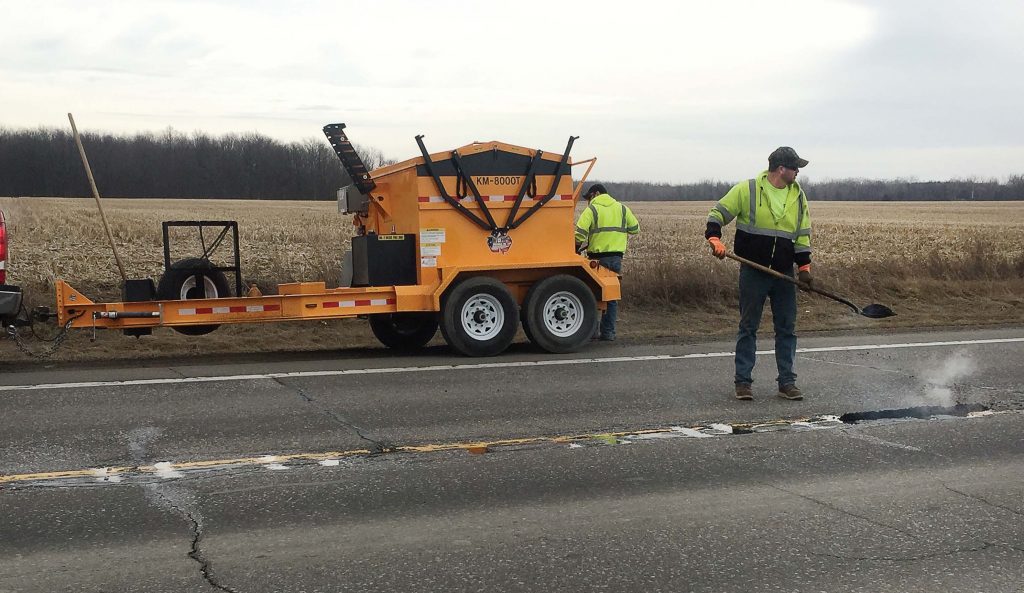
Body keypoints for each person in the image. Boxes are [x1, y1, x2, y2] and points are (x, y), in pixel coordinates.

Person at [705, 147, 813, 401]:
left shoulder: (799, 197)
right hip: (753, 270)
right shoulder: (748, 190)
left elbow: (802, 236)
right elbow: (717, 214)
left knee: (787, 328)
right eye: (795, 167)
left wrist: (805, 270)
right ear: (781, 169)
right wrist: (714, 239)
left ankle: (787, 382)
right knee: (748, 326)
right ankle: (743, 383)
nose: (798, 172)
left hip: (784, 273)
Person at [574, 183, 640, 341]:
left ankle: (592, 332)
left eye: (589, 197)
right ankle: (608, 333)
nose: (589, 201)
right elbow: (635, 228)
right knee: (611, 297)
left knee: (593, 296)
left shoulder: (593, 209)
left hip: (597, 259)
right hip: (616, 258)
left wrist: (575, 248)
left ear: (596, 194)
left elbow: (580, 233)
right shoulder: (622, 208)